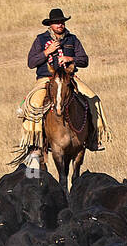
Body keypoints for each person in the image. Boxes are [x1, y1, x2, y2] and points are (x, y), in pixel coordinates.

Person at [19, 8, 108, 153]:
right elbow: (31, 62)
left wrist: (70, 59)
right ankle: (34, 143)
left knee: (94, 100)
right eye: (56, 22)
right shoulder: (40, 40)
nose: (60, 24)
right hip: (46, 79)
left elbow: (84, 60)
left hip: (69, 78)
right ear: (50, 25)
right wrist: (47, 52)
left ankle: (93, 138)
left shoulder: (72, 39)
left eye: (62, 22)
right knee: (34, 103)